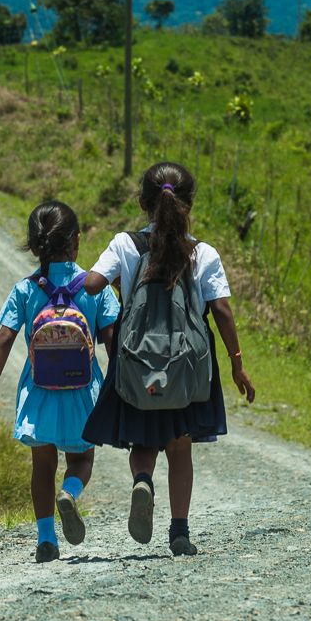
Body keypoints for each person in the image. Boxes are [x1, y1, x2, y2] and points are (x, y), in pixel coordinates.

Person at [81, 162, 255, 557]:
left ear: (143, 202)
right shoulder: (202, 253)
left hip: (136, 362)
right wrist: (237, 362)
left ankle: (143, 479)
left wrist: (70, 282)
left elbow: (93, 285)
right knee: (180, 447)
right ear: (188, 204)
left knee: (142, 439)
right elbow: (222, 311)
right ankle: (179, 532)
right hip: (186, 368)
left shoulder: (126, 245)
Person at [0, 201, 119, 563]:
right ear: (76, 242)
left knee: (42, 467)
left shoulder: (25, 289)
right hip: (83, 392)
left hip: (39, 392)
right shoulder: (95, 286)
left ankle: (45, 539)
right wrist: (121, 384)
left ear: (35, 245)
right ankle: (70, 492)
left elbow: (4, 338)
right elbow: (113, 338)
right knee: (82, 459)